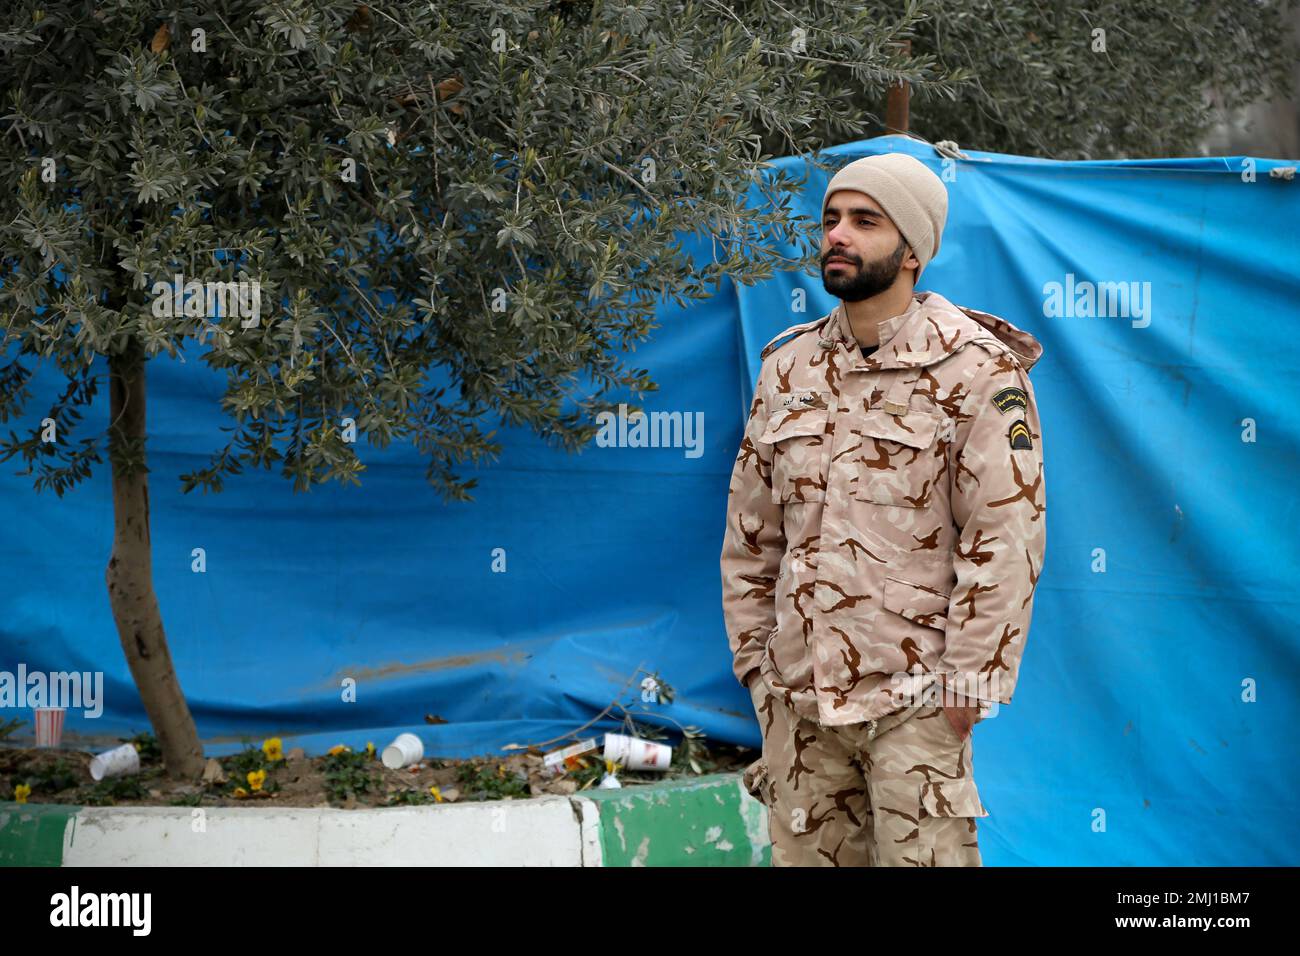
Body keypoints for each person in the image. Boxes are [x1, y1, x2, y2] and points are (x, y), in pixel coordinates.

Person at [719, 152, 1047, 866]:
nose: (837, 234)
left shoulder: (978, 370)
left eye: (865, 221)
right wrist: (756, 670)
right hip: (800, 705)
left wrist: (969, 684)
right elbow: (751, 534)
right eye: (832, 218)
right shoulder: (789, 366)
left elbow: (1006, 535)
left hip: (916, 703)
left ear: (911, 252)